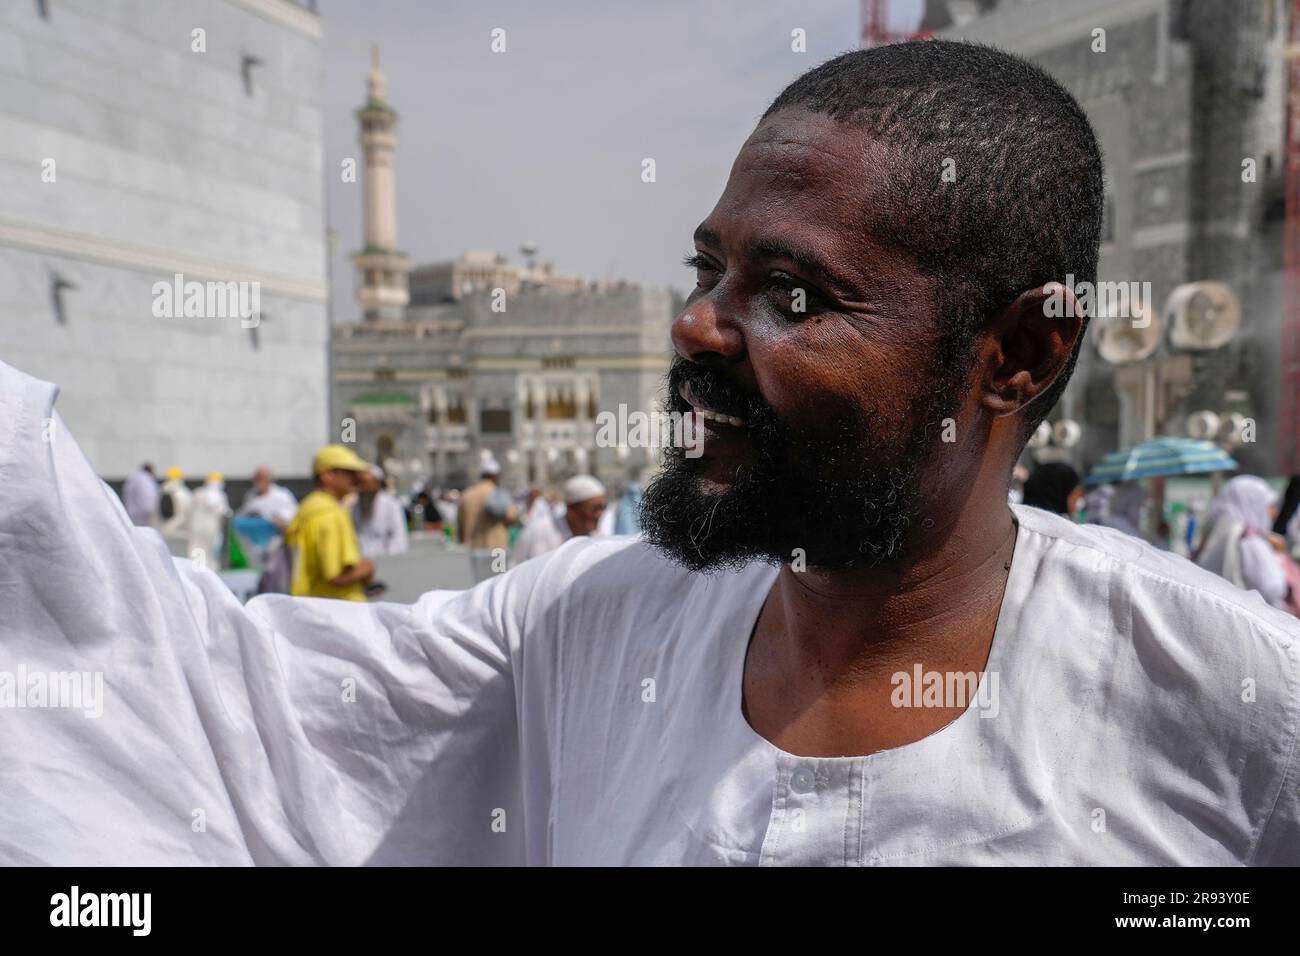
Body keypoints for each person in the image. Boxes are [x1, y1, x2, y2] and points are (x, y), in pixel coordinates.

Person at [2, 42, 1299, 866]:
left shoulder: (1238, 714)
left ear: (1015, 354)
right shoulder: (587, 631)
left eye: (791, 294)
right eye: (708, 269)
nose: (697, 325)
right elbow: (202, 682)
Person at [284, 445, 375, 601]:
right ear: (327, 475)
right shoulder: (331, 514)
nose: (356, 479)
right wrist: (367, 569)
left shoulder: (307, 509)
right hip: (341, 612)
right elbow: (336, 576)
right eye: (349, 473)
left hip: (311, 606)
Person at [1194, 475, 1294, 612]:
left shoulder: (1221, 532)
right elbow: (1273, 587)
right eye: (1269, 506)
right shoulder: (1249, 540)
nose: (1274, 513)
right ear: (1252, 504)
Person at [511, 475, 607, 567]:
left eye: (603, 507)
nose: (599, 514)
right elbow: (514, 570)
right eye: (594, 508)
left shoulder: (598, 539)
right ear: (571, 509)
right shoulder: (537, 531)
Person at [456, 458, 516, 551]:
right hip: (497, 551)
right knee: (500, 566)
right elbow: (512, 517)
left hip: (473, 550)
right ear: (495, 476)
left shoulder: (467, 495)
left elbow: (460, 526)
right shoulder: (498, 493)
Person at [353, 465, 409, 556]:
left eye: (365, 483)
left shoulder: (391, 504)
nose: (362, 488)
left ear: (377, 483)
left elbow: (399, 538)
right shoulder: (355, 507)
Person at [188, 471, 231, 571]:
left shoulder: (198, 492)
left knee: (197, 550)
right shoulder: (220, 495)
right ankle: (207, 573)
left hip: (196, 527)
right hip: (211, 528)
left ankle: (196, 571)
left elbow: (189, 509)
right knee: (209, 553)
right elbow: (225, 512)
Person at [121, 462, 159, 527]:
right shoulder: (145, 480)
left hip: (132, 514)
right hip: (141, 517)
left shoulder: (134, 478)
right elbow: (148, 499)